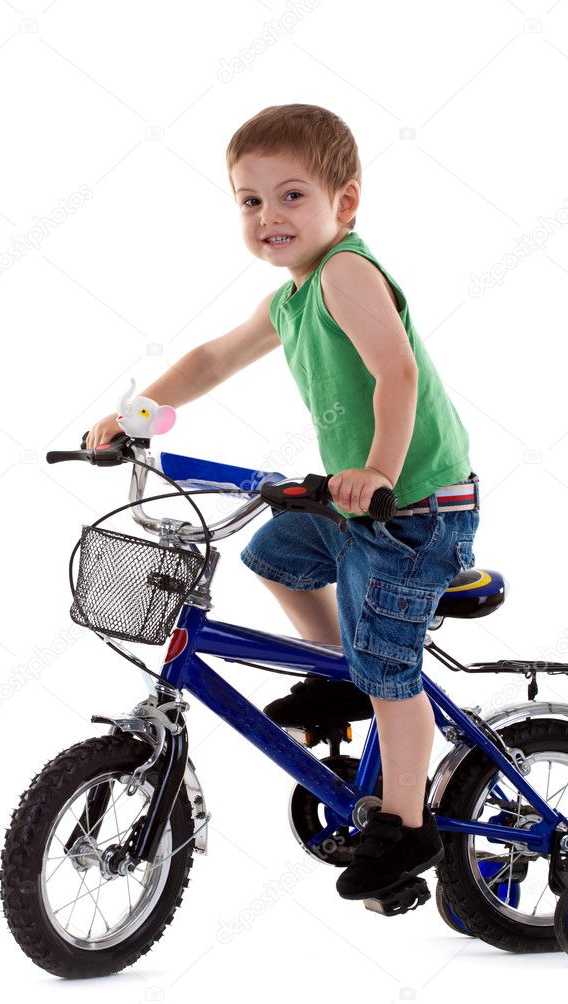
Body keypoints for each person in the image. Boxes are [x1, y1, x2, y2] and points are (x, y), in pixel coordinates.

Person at [86, 103, 480, 903]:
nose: (270, 216)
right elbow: (209, 360)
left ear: (347, 202)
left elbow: (395, 372)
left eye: (292, 195)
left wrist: (375, 468)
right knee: (276, 552)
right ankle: (342, 676)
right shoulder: (292, 298)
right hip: (360, 507)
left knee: (390, 668)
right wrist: (132, 422)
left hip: (416, 509)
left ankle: (406, 826)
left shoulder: (345, 271)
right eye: (250, 200)